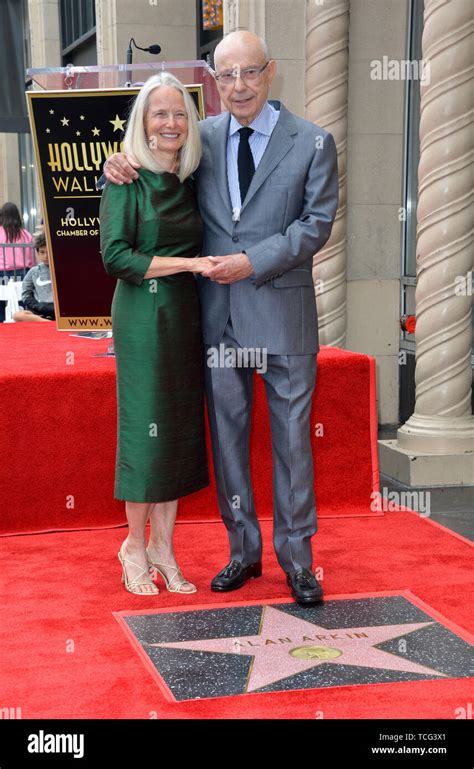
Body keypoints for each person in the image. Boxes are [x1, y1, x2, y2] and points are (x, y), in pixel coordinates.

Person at [103, 31, 339, 606]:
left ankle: (298, 559)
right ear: (213, 80)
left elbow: (316, 226)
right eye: (226, 75)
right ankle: (243, 551)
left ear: (270, 71)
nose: (238, 86)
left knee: (291, 446)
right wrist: (116, 163)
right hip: (216, 322)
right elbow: (150, 172)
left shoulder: (312, 142)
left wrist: (251, 261)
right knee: (228, 443)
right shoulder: (196, 140)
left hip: (281, 315)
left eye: (249, 73)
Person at [100, 73, 213, 596]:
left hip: (185, 314)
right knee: (145, 432)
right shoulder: (127, 179)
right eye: (159, 114)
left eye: (179, 114)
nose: (170, 123)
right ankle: (132, 547)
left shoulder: (191, 180)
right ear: (142, 123)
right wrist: (184, 262)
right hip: (143, 319)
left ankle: (164, 547)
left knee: (176, 433)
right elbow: (115, 257)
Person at [0, 202, 35, 322]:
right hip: (23, 273)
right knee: (22, 300)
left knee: (2, 301)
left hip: (2, 273)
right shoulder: (25, 234)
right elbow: (31, 256)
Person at [12, 229, 55, 322]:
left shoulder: (63, 269)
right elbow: (26, 294)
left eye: (49, 252)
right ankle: (47, 323)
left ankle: (48, 322)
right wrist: (37, 306)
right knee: (17, 315)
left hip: (60, 311)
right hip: (40, 311)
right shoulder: (33, 271)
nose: (46, 256)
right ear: (38, 253)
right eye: (42, 252)